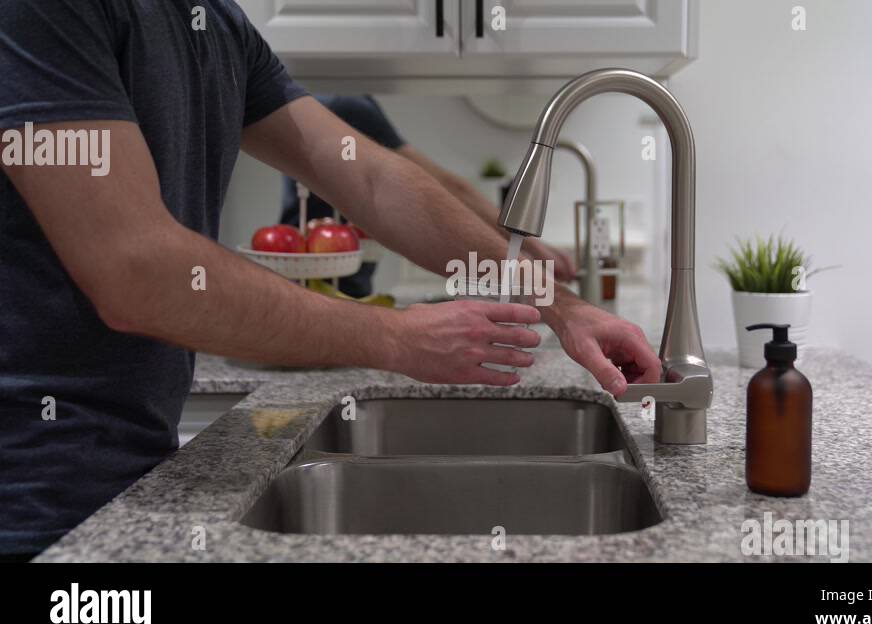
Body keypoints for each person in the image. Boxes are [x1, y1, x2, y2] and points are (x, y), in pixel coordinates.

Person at [0, 0, 660, 561]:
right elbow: (137, 271)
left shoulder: (214, 21)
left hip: (125, 480)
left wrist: (559, 304)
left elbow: (368, 177)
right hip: (31, 501)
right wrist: (394, 337)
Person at [277, 95, 576, 297]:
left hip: (307, 286)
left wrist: (528, 251)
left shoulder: (315, 101)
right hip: (329, 294)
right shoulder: (347, 106)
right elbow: (445, 186)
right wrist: (530, 250)